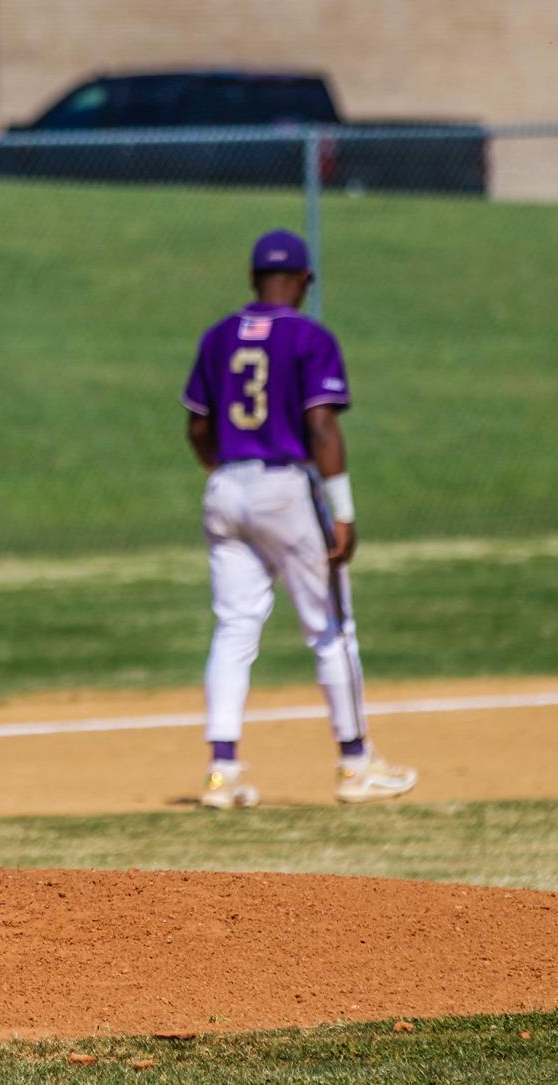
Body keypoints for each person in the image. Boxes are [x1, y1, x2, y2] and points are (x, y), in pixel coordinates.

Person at [180, 229, 416, 809]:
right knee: (331, 628)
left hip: (225, 487)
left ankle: (222, 772)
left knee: (234, 628)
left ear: (252, 278)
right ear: (306, 280)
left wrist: (226, 473)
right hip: (285, 487)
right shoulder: (310, 337)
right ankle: (356, 763)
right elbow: (321, 426)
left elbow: (198, 427)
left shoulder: (217, 337)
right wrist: (344, 512)